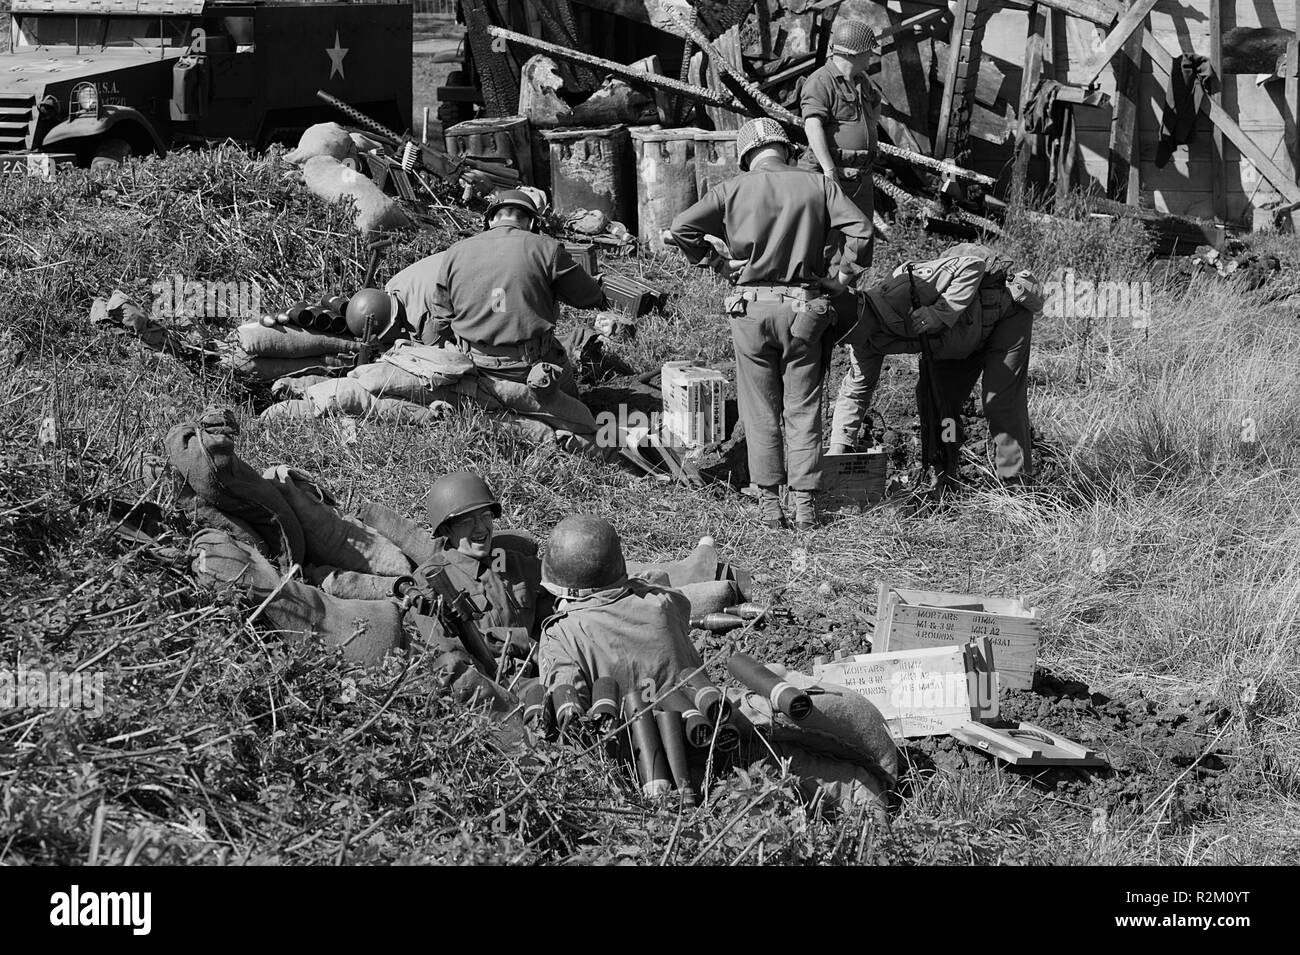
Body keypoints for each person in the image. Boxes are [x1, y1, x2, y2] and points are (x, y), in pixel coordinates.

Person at [667, 118, 873, 530]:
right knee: (803, 406)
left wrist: (718, 263)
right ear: (786, 150)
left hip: (751, 311)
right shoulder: (817, 184)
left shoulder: (731, 188)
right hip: (804, 311)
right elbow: (862, 231)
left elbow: (680, 228)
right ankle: (805, 506)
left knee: (759, 409)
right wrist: (840, 278)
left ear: (746, 157)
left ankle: (769, 505)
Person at [828, 243, 1043, 482]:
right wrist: (840, 444)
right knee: (939, 404)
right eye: (843, 339)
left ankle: (1015, 482)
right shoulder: (864, 343)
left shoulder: (902, 288)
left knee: (999, 402)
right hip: (960, 339)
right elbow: (855, 390)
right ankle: (945, 473)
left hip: (1003, 316)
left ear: (861, 313)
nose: (846, 345)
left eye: (849, 336)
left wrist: (939, 313)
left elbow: (973, 265)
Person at [538, 515, 703, 708]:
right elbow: (677, 599)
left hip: (624, 734)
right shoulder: (663, 602)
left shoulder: (561, 633)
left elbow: (567, 709)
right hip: (699, 723)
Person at [411, 470, 551, 667]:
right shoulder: (430, 579)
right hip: (487, 686)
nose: (481, 528)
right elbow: (446, 647)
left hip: (542, 677)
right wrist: (524, 643)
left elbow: (567, 587)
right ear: (445, 529)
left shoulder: (514, 563)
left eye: (485, 517)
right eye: (467, 521)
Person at [799, 18, 882, 270]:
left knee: (860, 240)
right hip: (832, 174)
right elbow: (812, 126)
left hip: (860, 176)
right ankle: (822, 295)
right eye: (868, 51)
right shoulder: (821, 81)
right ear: (855, 52)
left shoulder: (862, 81)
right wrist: (829, 170)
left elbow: (875, 105)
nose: (871, 56)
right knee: (826, 241)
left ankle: (844, 291)